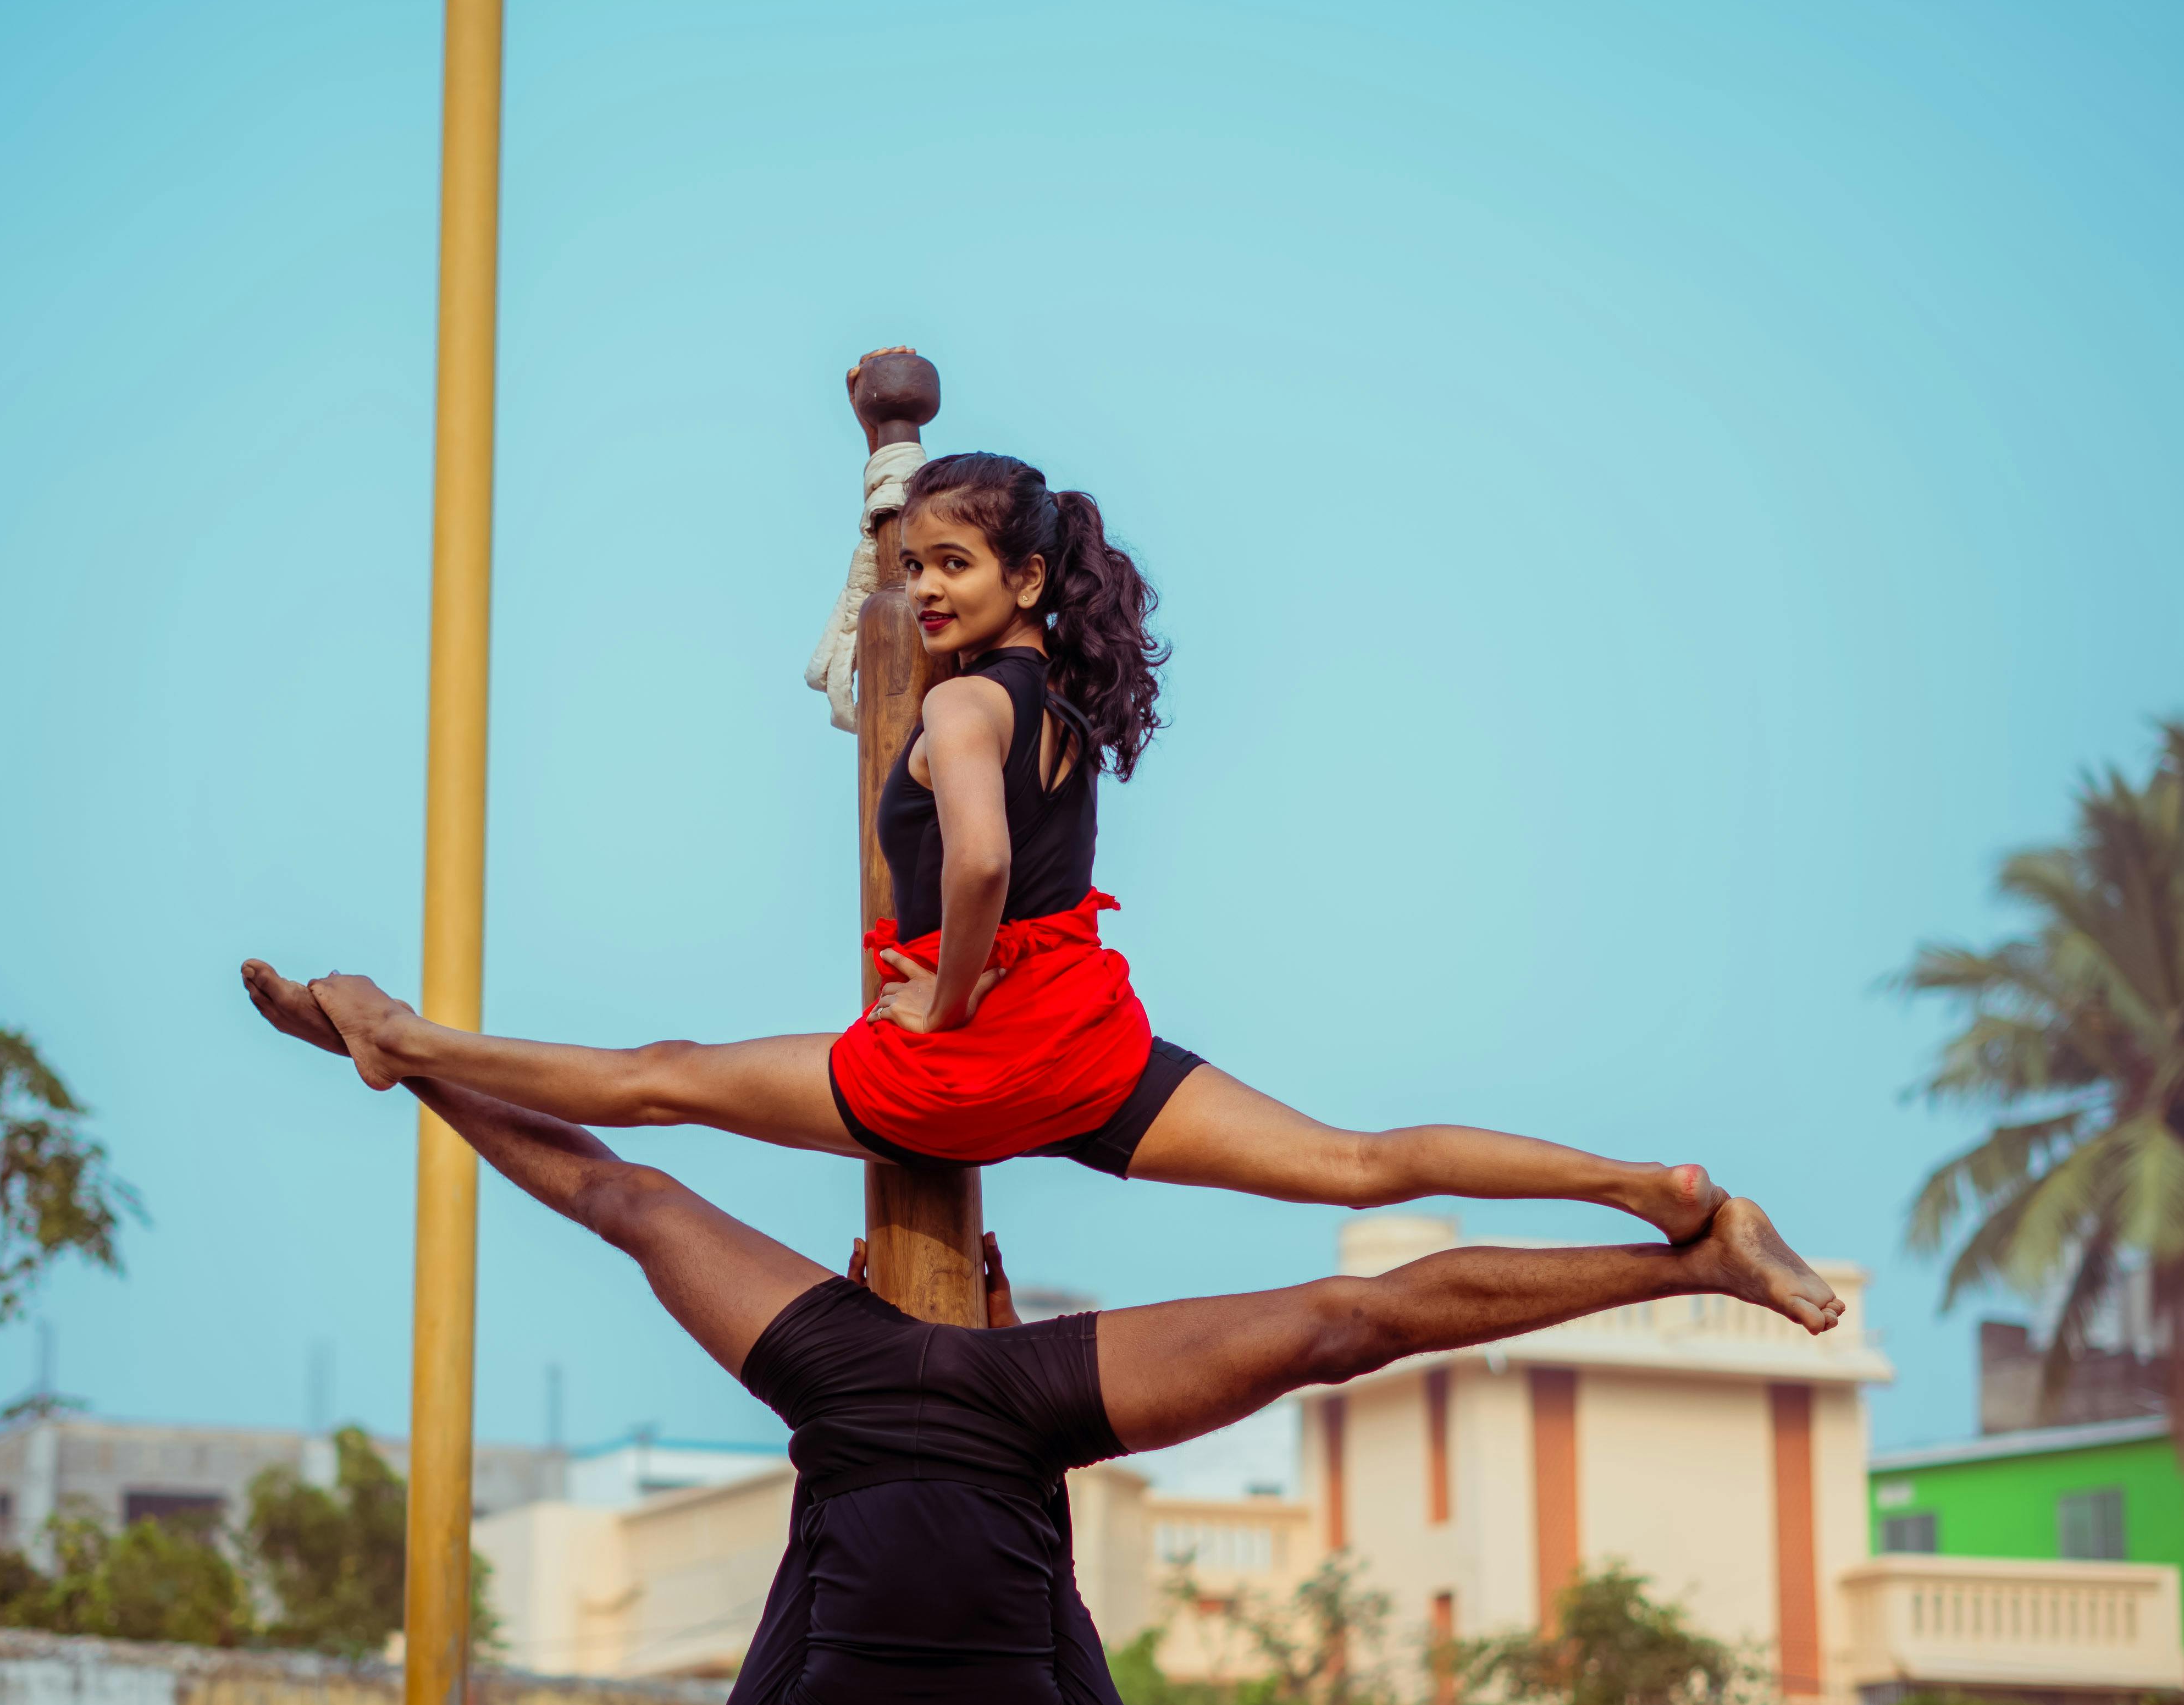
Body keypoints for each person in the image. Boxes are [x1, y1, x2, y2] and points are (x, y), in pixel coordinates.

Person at [246, 968, 1845, 1705]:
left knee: (639, 1206)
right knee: (1346, 1321)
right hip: (1020, 1411)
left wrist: (869, 1374)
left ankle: (395, 1055)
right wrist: (1005, 1357)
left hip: (854, 1399)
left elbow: (811, 1554)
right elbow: (1056, 1578)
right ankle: (1698, 1266)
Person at [234, 367, 1755, 1248]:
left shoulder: (961, 706)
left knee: (660, 1079)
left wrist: (938, 1005)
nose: (921, 595)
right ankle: (1644, 1187)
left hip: (967, 1064)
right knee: (1356, 1164)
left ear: (1022, 576)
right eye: (910, 572)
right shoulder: (1061, 704)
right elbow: (1011, 855)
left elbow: (971, 862)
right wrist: (894, 485)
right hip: (1085, 1045)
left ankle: (403, 1037)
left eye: (949, 570)